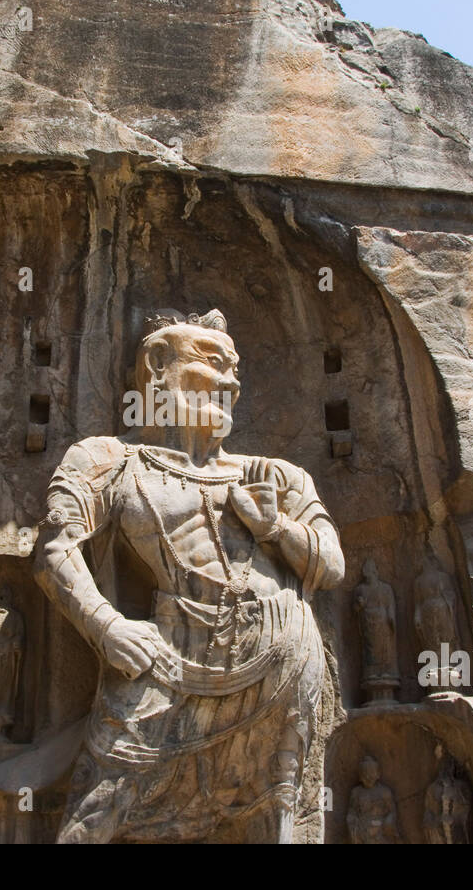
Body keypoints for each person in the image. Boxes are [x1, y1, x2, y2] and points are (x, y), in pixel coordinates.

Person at [35, 309, 344, 843]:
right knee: (97, 807)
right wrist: (106, 626)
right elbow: (53, 549)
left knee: (275, 815)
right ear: (157, 363)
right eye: (211, 362)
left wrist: (274, 526)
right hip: (164, 655)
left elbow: (330, 565)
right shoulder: (111, 460)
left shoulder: (276, 475)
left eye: (234, 369)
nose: (230, 380)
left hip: (281, 656)